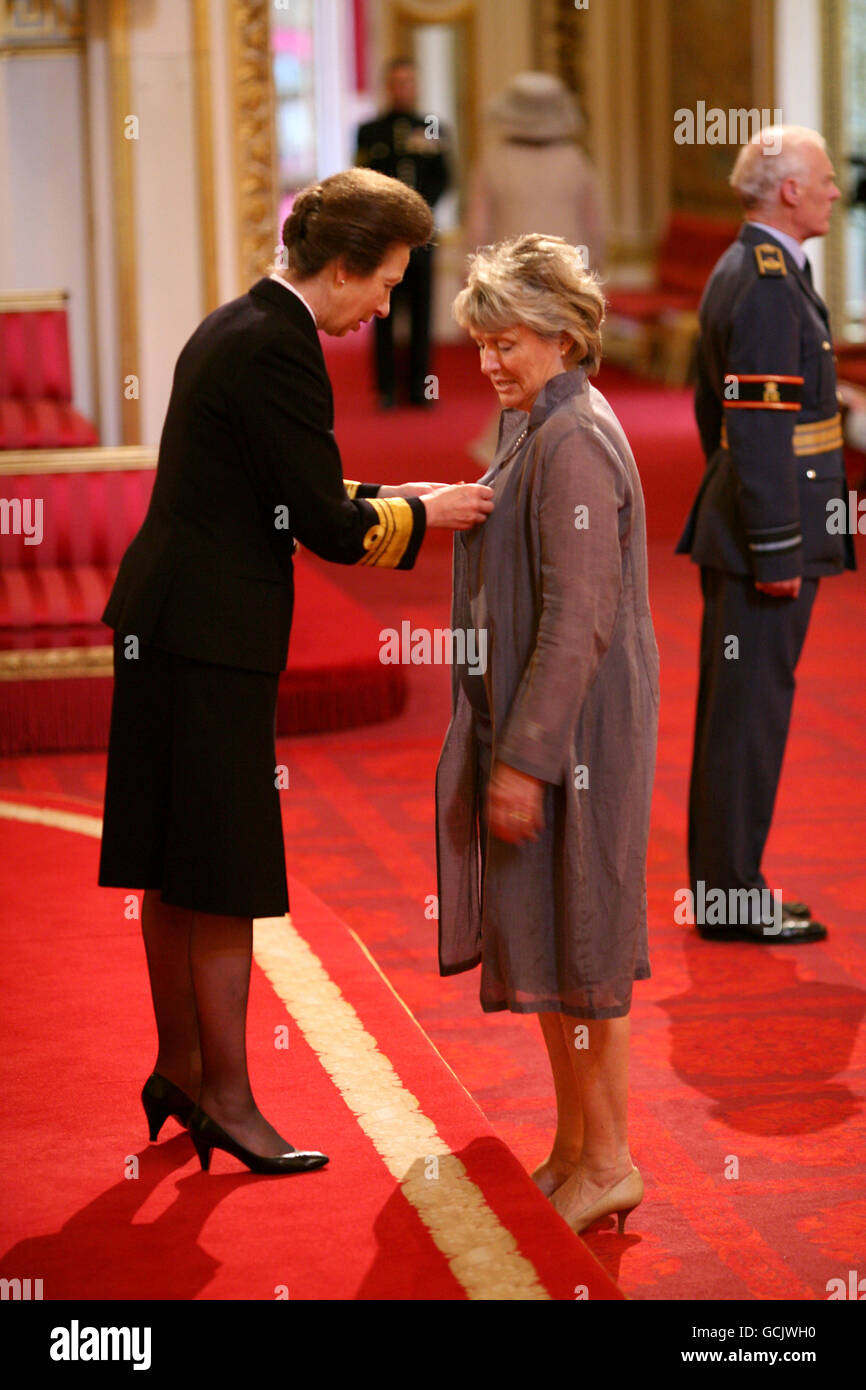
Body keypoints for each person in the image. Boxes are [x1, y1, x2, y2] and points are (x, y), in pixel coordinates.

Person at [98, 167, 494, 1176]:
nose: (384, 307)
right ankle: (225, 1096)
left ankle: (183, 1070)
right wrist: (424, 515)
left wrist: (396, 493)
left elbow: (282, 481)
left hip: (166, 617)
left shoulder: (236, 322)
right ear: (344, 266)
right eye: (389, 283)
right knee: (221, 867)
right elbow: (318, 520)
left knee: (171, 859)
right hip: (211, 633)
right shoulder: (283, 348)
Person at [436, 234, 659, 1234]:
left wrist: (523, 758)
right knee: (560, 944)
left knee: (585, 945)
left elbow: (578, 615)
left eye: (507, 341)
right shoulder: (535, 416)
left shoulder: (570, 437)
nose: (488, 361)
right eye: (480, 341)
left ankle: (607, 1158)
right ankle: (575, 1148)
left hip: (575, 734)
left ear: (566, 335)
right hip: (550, 723)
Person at [676, 126, 855, 944]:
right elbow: (751, 425)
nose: (833, 192)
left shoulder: (745, 265)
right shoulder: (771, 281)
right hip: (763, 542)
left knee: (738, 718)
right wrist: (780, 546)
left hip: (745, 529)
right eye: (823, 181)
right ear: (787, 190)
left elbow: (715, 411)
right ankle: (730, 898)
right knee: (748, 722)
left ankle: (727, 888)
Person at [464, 71, 606, 466]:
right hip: (564, 281)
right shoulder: (576, 161)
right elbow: (596, 231)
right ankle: (564, 441)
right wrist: (589, 284)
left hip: (512, 282)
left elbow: (477, 231)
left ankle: (514, 444)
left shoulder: (494, 160)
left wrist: (476, 283)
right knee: (562, 365)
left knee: (514, 367)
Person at [355, 57, 450, 408]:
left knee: (422, 317)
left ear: (416, 86)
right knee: (382, 312)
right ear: (387, 87)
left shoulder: (431, 126)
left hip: (422, 238)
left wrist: (419, 213)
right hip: (384, 237)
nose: (402, 89)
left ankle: (421, 391)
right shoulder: (371, 131)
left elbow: (443, 178)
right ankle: (386, 391)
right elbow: (363, 177)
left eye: (408, 82)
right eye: (396, 82)